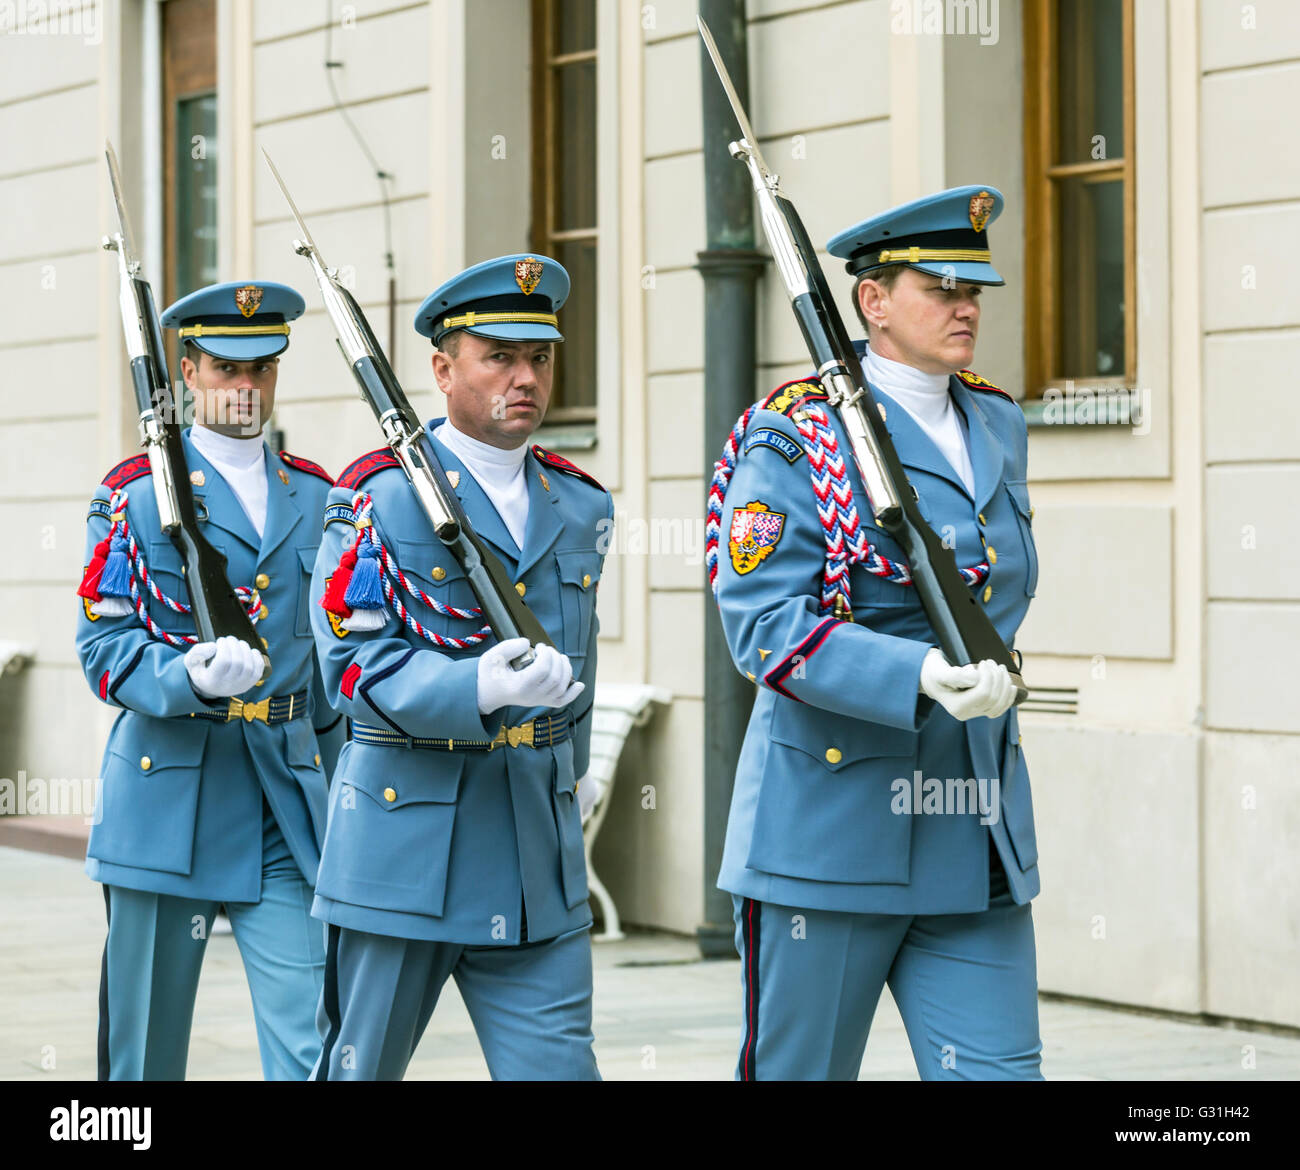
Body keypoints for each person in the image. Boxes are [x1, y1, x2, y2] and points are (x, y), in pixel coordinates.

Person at [709, 186, 1043, 1080]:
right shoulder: (796, 437)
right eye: (940, 288)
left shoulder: (997, 420)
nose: (966, 306)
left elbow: (989, 586)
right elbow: (764, 627)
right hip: (831, 830)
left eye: (975, 290)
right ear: (873, 301)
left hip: (971, 824)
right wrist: (919, 673)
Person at [308, 254, 613, 1080]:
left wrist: (571, 775)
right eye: (499, 358)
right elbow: (349, 663)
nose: (525, 377)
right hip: (408, 845)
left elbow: (574, 664)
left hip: (532, 857)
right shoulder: (377, 495)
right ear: (442, 370)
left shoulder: (580, 503)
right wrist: (475, 687)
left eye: (540, 358)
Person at [76, 280, 345, 1079]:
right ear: (186, 371)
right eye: (226, 368)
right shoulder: (130, 496)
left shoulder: (322, 495)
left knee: (314, 1043)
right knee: (144, 1056)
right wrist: (183, 674)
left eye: (261, 369)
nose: (245, 387)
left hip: (282, 799)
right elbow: (104, 647)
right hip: (169, 796)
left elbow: (331, 670)